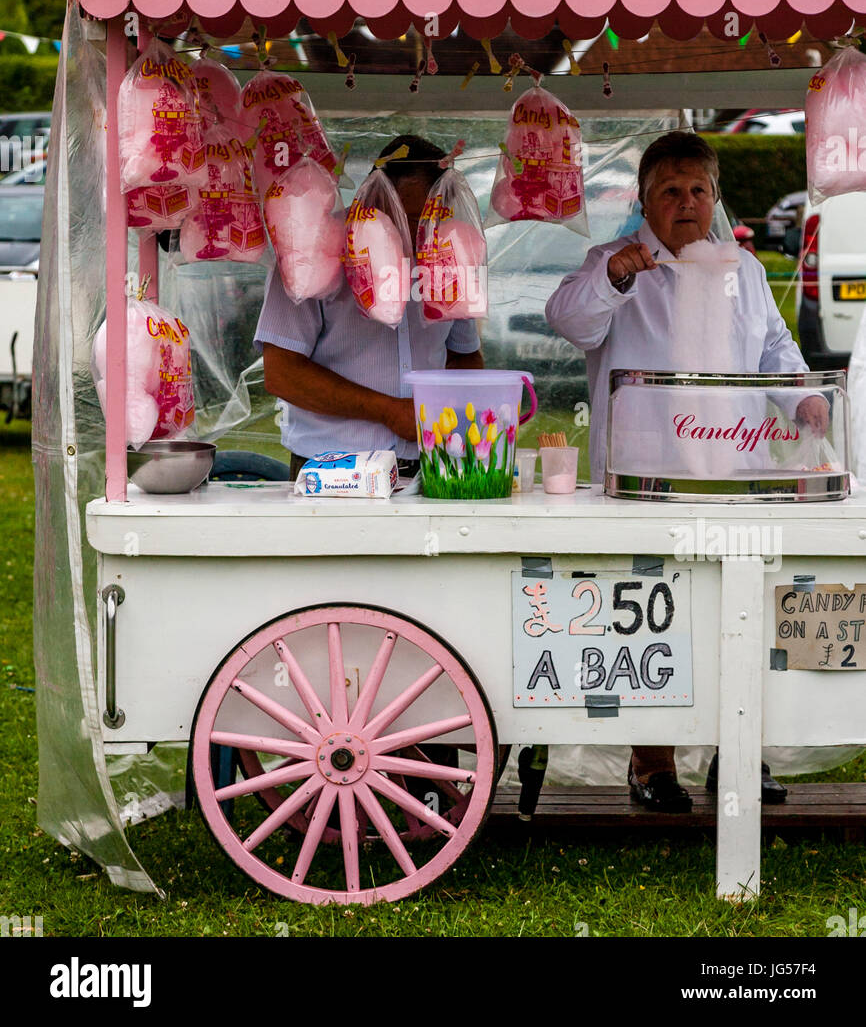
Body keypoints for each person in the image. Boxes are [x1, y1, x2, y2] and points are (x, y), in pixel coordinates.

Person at [545, 130, 828, 812]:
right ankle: (652, 764)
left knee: (740, 617)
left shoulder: (746, 270)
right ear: (644, 199)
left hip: (734, 474)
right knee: (651, 621)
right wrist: (617, 277)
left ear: (716, 197)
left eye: (698, 189)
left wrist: (807, 396)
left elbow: (775, 351)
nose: (686, 202)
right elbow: (569, 320)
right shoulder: (611, 262)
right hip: (646, 478)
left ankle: (740, 754)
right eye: (669, 190)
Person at [255, 134, 484, 478]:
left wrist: (457, 419)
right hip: (332, 467)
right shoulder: (315, 252)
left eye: (428, 219)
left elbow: (464, 355)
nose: (415, 234)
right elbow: (283, 373)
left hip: (431, 464)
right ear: (375, 197)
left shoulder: (449, 253)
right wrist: (388, 411)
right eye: (404, 217)